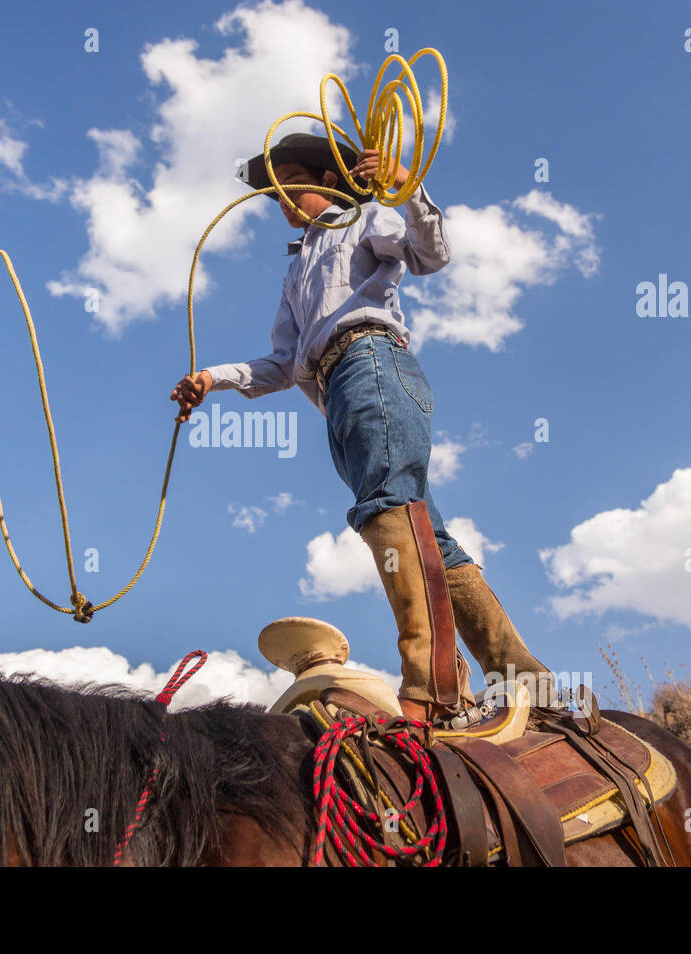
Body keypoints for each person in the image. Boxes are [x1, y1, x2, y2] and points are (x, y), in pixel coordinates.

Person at [170, 132, 555, 724]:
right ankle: (524, 678)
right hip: (337, 389)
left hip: (372, 363)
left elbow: (432, 254)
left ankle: (432, 687)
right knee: (424, 530)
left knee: (388, 507)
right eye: (274, 189)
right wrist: (212, 380)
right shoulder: (297, 269)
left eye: (289, 180)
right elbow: (280, 362)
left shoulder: (367, 217)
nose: (279, 195)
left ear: (325, 180)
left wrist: (407, 185)